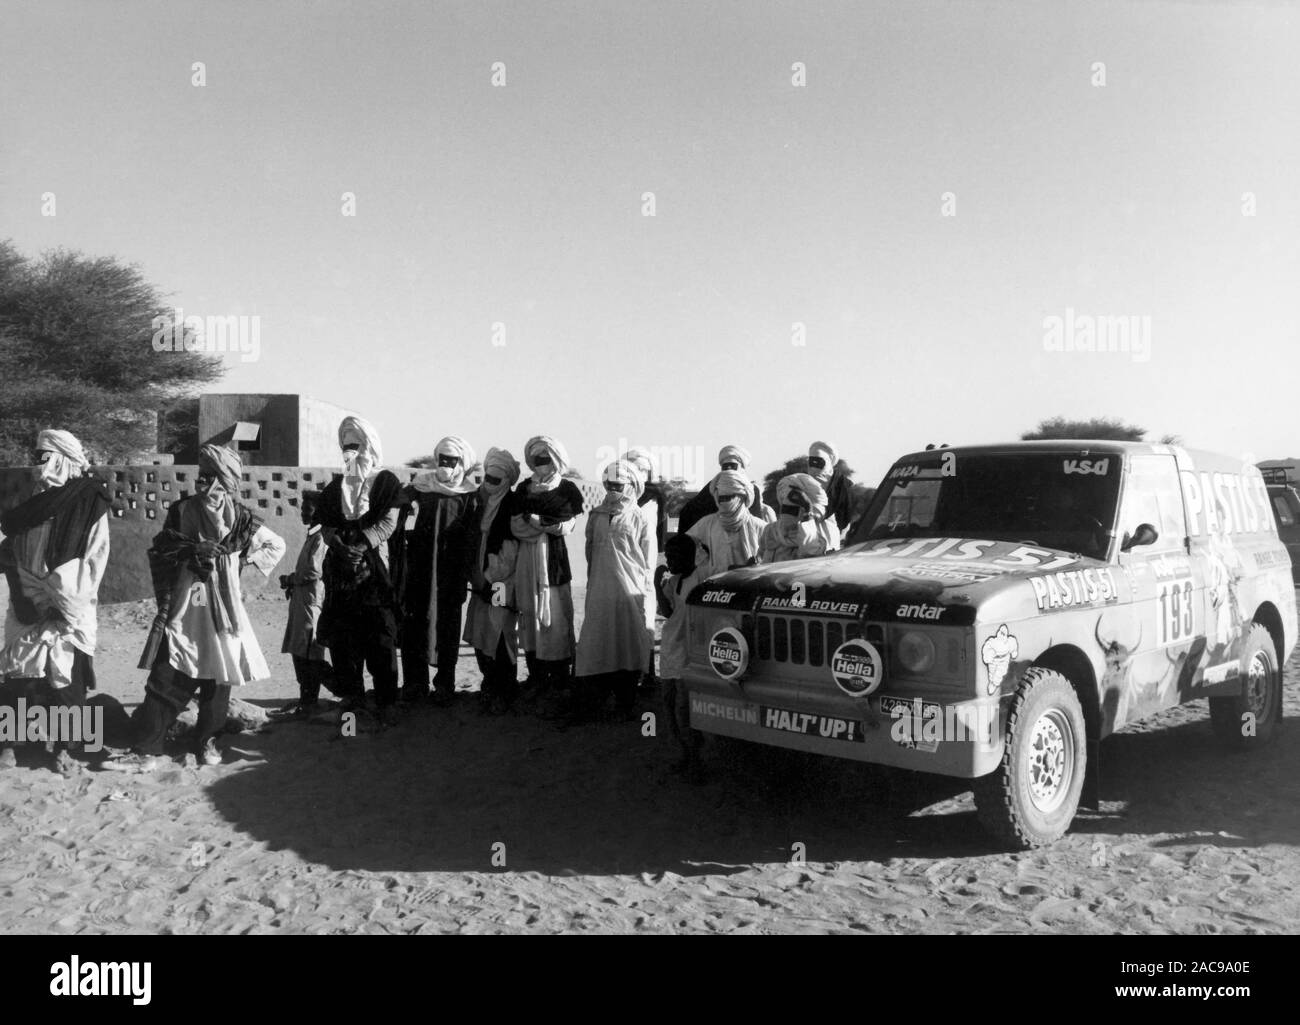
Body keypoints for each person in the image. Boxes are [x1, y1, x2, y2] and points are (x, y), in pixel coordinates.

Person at [111, 444, 285, 769]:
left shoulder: (241, 518)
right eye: (200, 476)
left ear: (223, 481)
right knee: (167, 674)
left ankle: (207, 744)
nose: (201, 483)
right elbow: (164, 546)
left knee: (218, 681)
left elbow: (276, 544)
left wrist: (239, 561)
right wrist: (192, 551)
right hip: (188, 605)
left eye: (209, 477)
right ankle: (147, 749)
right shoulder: (183, 510)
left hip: (225, 610)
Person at [0, 430, 110, 772]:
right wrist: (23, 591)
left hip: (69, 599)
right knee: (18, 676)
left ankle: (68, 749)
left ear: (62, 457)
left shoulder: (88, 498)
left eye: (43, 456)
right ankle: (11, 745)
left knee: (69, 678)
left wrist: (67, 597)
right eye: (36, 456)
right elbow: (9, 546)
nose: (37, 464)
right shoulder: (28, 497)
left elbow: (97, 553)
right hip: (26, 598)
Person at [315, 417, 404, 724]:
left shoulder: (385, 482)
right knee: (344, 638)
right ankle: (353, 699)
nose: (349, 452)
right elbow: (324, 525)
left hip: (374, 571)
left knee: (380, 637)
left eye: (355, 446)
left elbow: (389, 522)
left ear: (368, 447)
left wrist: (362, 546)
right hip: (341, 574)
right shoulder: (334, 487)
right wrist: (340, 547)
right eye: (346, 447)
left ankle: (386, 702)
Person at [399, 436, 479, 707]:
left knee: (447, 626)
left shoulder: (469, 495)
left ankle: (445, 685)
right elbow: (397, 506)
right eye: (442, 459)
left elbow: (473, 536)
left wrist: (467, 570)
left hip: (450, 572)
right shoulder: (422, 486)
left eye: (451, 460)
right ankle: (415, 684)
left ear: (461, 463)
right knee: (415, 624)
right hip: (421, 569)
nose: (445, 464)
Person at [573, 459, 654, 719]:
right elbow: (589, 552)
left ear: (631, 485)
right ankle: (595, 702)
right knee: (597, 643)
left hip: (628, 593)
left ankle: (625, 702)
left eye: (618, 485)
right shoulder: (595, 515)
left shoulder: (640, 517)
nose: (612, 490)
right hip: (599, 591)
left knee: (626, 645)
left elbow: (648, 561)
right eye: (608, 485)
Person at [512, 436, 584, 702]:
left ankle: (560, 676)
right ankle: (536, 676)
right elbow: (516, 527)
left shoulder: (567, 489)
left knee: (555, 617)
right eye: (537, 459)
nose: (542, 463)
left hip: (553, 562)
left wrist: (536, 522)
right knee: (530, 617)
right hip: (527, 560)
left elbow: (568, 525)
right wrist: (545, 525)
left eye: (546, 458)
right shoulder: (523, 489)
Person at [463, 448, 522, 716]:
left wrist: (486, 577)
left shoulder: (511, 506)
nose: (489, 484)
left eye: (496, 480)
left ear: (507, 482)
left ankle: (505, 690)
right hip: (479, 580)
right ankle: (489, 685)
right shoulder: (481, 504)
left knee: (500, 633)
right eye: (486, 478)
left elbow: (509, 554)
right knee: (480, 632)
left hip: (500, 583)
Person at [273, 490, 335, 720]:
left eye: (307, 508)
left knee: (310, 654)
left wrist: (291, 579)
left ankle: (325, 696)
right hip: (303, 600)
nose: (303, 512)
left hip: (311, 603)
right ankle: (306, 701)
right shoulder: (314, 535)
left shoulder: (320, 538)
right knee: (302, 652)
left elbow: (312, 571)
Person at [658, 533, 705, 777]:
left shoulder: (702, 579)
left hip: (690, 654)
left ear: (688, 556)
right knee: (668, 706)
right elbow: (667, 612)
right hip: (670, 651)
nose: (669, 561)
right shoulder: (672, 582)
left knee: (685, 709)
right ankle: (684, 754)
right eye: (667, 556)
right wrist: (658, 586)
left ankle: (696, 759)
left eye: (674, 556)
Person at [686, 469, 766, 578]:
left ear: (741, 497)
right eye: (721, 498)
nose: (723, 502)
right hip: (715, 589)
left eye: (728, 498)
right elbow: (689, 549)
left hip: (748, 587)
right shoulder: (706, 524)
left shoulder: (760, 527)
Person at [675, 444, 773, 534]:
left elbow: (755, 519)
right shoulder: (715, 485)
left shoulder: (750, 488)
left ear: (742, 467)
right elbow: (690, 511)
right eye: (725, 466)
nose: (729, 469)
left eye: (733, 466)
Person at [759, 473, 841, 563]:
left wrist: (807, 510)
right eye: (785, 508)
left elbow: (810, 551)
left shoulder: (826, 531)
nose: (787, 514)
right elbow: (762, 558)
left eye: (793, 509)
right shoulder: (772, 530)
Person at [807, 440, 854, 533]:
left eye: (819, 461)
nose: (814, 465)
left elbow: (846, 516)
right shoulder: (802, 481)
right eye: (812, 461)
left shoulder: (843, 485)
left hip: (836, 536)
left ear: (829, 460)